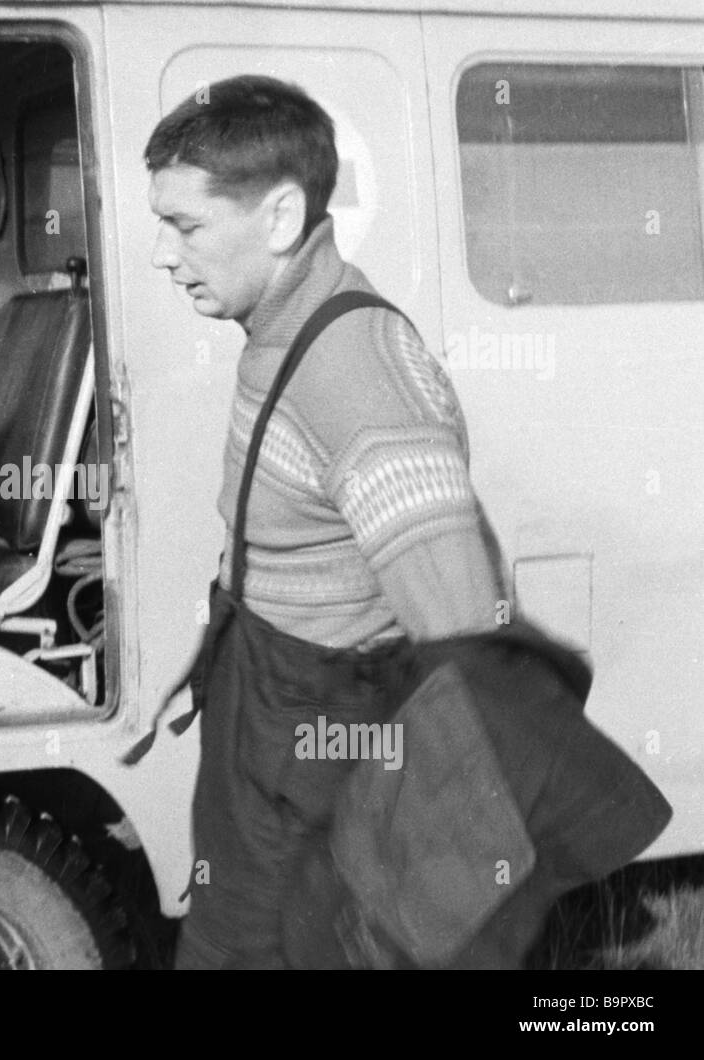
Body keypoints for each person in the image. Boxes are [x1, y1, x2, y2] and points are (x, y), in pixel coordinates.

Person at [145, 76, 507, 969]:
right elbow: (283, 544)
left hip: (322, 784)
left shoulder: (357, 373)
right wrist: (206, 667)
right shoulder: (278, 332)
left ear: (278, 218)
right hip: (267, 754)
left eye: (184, 226)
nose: (162, 253)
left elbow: (463, 635)